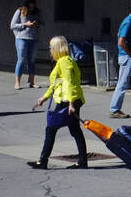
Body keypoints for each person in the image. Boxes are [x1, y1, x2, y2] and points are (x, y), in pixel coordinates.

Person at [27, 36, 88, 170]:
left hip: (67, 100)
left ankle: (43, 161)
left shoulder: (64, 62)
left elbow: (69, 83)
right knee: (75, 130)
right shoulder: (65, 60)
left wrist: (71, 104)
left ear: (56, 48)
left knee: (51, 129)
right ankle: (82, 161)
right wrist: (45, 97)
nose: (50, 50)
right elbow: (56, 84)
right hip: (70, 99)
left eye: (51, 47)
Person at [10, 0, 43, 89]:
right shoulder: (20, 11)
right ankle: (17, 83)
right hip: (22, 38)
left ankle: (31, 82)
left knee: (31, 61)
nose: (32, 6)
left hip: (33, 38)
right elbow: (12, 25)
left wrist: (37, 24)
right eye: (30, 4)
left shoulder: (37, 12)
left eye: (33, 5)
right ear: (27, 4)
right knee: (21, 60)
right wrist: (25, 24)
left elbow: (42, 22)